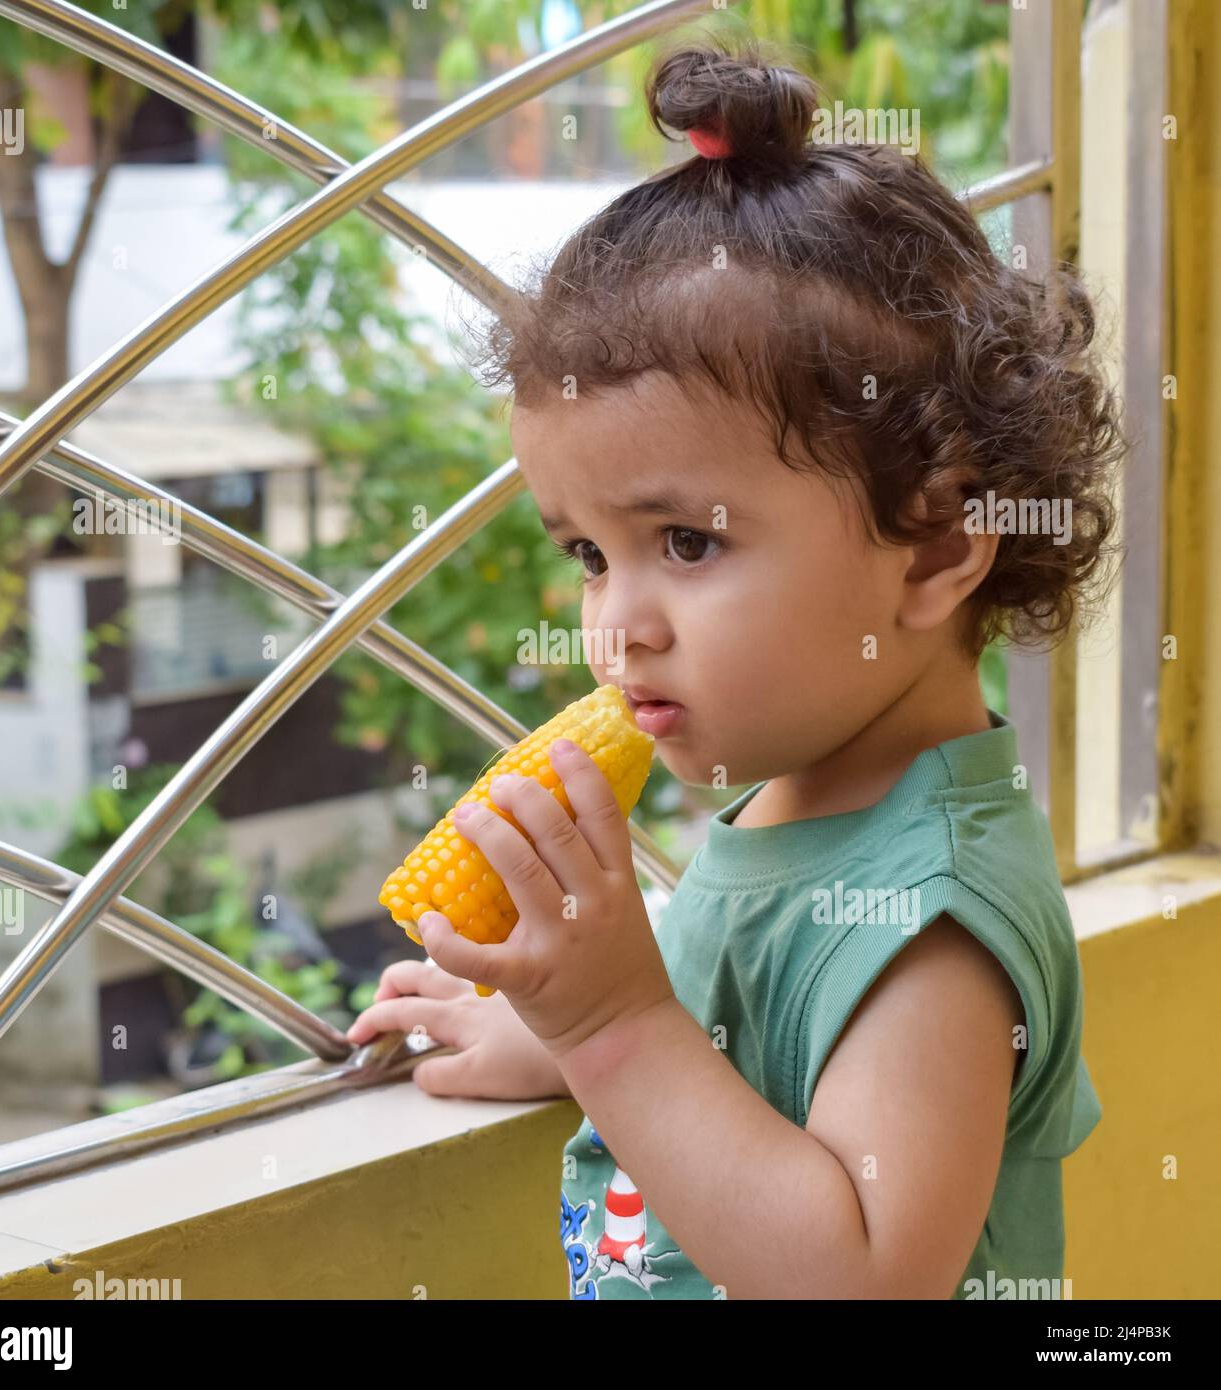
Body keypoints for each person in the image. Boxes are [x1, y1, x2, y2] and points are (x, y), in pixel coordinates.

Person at [348, 34, 1122, 1301]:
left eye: (687, 542)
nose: (619, 625)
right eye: (590, 554)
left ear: (932, 545)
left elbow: (861, 1276)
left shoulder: (930, 919)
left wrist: (612, 1028)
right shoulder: (796, 794)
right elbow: (740, 1040)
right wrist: (562, 1028)